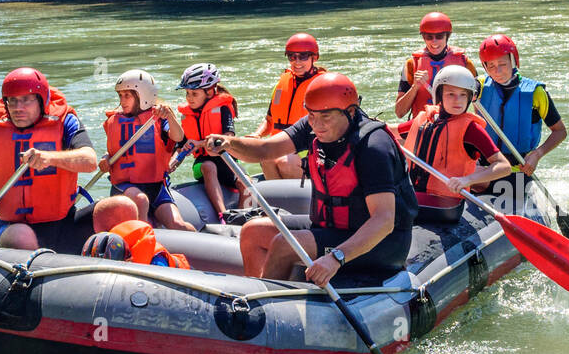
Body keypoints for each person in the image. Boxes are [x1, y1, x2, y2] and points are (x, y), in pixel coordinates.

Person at [209, 72, 416, 287]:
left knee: (284, 244)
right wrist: (229, 143)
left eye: (326, 117)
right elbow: (266, 149)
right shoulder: (312, 125)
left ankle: (262, 305)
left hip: (382, 243)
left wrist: (337, 257)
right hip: (332, 227)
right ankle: (256, 291)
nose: (317, 125)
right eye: (312, 115)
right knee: (253, 231)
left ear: (351, 112)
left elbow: (383, 220)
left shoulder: (373, 146)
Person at [0, 68, 99, 252]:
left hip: (64, 223)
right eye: (12, 100)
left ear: (41, 101)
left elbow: (90, 161)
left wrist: (50, 157)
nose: (18, 108)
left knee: (120, 207)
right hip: (13, 228)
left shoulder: (66, 122)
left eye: (26, 100)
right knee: (21, 235)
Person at [400, 64, 512, 223]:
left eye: (463, 95)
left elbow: (504, 166)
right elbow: (393, 130)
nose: (457, 100)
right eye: (451, 94)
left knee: (392, 208)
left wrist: (467, 180)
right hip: (417, 195)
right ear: (439, 95)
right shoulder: (427, 119)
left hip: (446, 205)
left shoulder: (471, 129)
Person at [94, 70, 195, 232]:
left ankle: (203, 247)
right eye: (120, 96)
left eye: (127, 95)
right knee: (141, 200)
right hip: (125, 187)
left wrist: (169, 116)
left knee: (178, 225)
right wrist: (105, 158)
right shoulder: (115, 121)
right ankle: (145, 246)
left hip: (156, 187)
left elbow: (178, 137)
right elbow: (114, 152)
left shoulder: (159, 118)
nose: (122, 100)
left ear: (143, 96)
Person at [476, 33, 567, 211]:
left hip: (517, 171)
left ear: (514, 61)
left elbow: (560, 131)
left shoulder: (535, 93)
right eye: (491, 66)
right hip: (484, 168)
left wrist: (537, 154)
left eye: (502, 64)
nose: (498, 71)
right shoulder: (478, 87)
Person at [178, 63, 252, 219]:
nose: (189, 98)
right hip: (202, 164)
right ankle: (223, 215)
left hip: (227, 162)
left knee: (246, 183)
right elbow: (181, 145)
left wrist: (201, 143)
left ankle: (242, 216)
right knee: (209, 166)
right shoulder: (187, 116)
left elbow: (229, 138)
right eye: (187, 93)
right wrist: (176, 157)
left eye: (194, 94)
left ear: (210, 92)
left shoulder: (223, 109)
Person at [254, 32, 322, 180]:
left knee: (286, 162)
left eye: (303, 56)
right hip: (281, 145)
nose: (297, 62)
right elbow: (270, 120)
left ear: (314, 58)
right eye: (292, 56)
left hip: (309, 147)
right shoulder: (282, 84)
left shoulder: (321, 86)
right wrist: (257, 135)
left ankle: (306, 201)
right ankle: (277, 201)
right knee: (265, 157)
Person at [395, 11, 478, 118]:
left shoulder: (465, 63)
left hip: (453, 125)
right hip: (422, 127)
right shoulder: (411, 64)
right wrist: (415, 87)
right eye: (429, 37)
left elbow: (477, 101)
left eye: (439, 36)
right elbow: (399, 113)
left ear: (447, 36)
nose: (434, 42)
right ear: (423, 38)